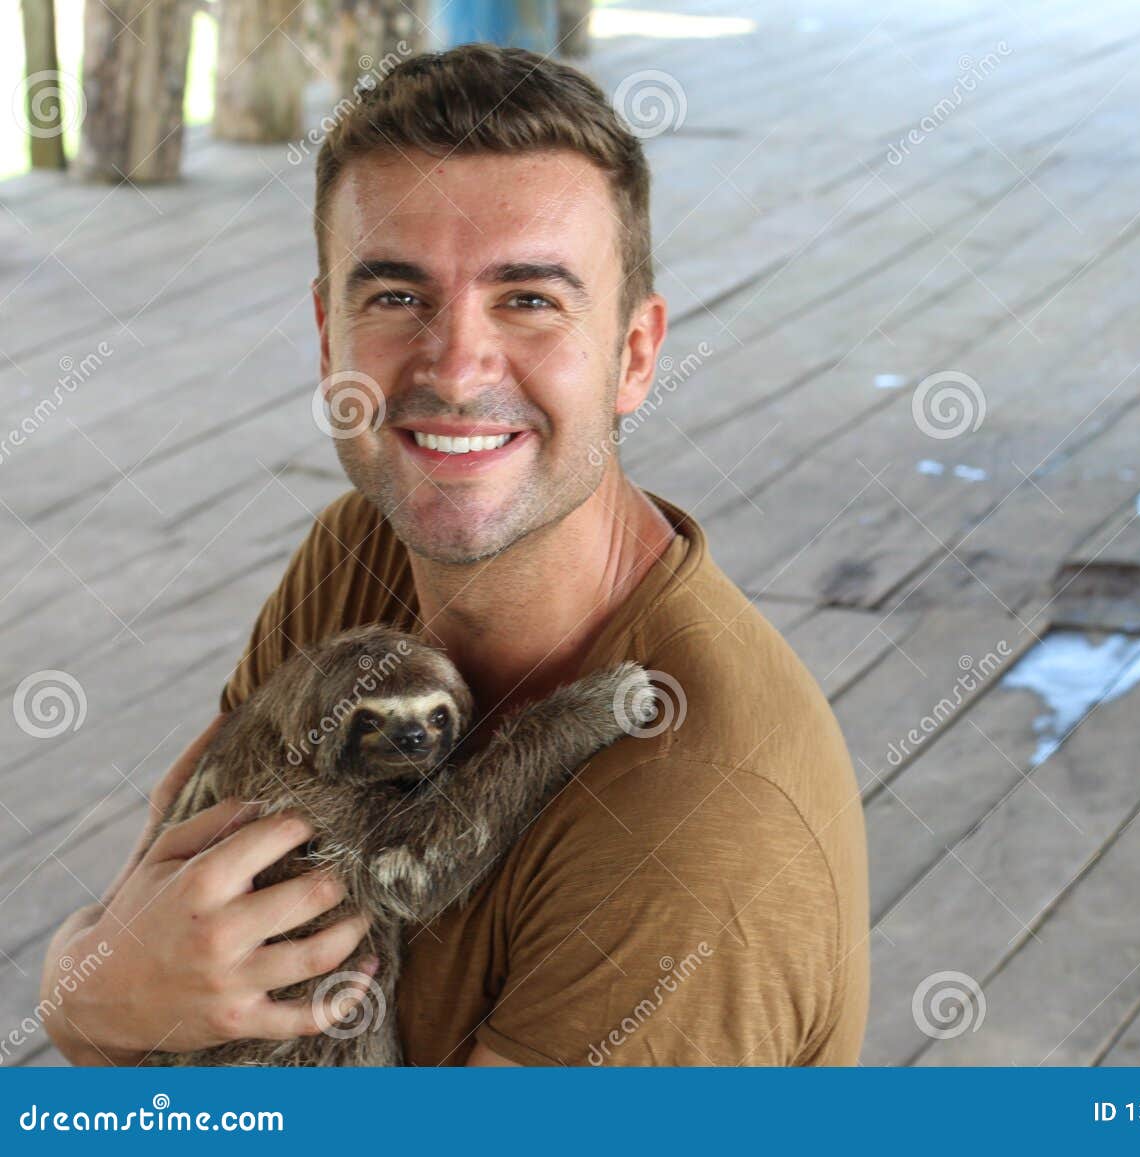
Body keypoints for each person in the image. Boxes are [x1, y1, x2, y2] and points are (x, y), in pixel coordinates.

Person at [40, 44, 869, 1067]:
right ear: (326, 335)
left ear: (635, 354)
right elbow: (164, 898)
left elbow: (137, 988)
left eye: (528, 298)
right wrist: (85, 993)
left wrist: (91, 1009)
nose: (455, 366)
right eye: (395, 297)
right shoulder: (366, 553)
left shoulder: (697, 824)